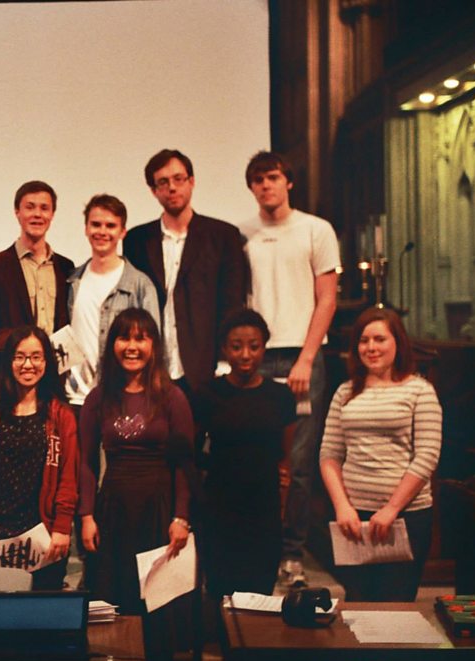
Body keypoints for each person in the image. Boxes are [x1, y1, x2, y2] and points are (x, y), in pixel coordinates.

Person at [239, 151, 339, 585]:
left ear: (289, 181)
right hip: (255, 357)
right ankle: (258, 545)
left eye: (273, 177)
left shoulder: (316, 229)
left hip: (302, 356)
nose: (266, 185)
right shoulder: (242, 234)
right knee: (257, 458)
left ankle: (292, 552)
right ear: (252, 187)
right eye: (258, 179)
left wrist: (306, 359)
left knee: (298, 462)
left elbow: (327, 298)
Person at [77, 307, 194, 661]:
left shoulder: (172, 396)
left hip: (159, 512)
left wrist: (181, 517)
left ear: (153, 345)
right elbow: (86, 462)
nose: (132, 346)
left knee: (157, 604)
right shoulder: (98, 397)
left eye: (141, 338)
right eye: (124, 337)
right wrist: (86, 515)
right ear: (112, 344)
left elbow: (185, 465)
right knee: (115, 599)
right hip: (113, 511)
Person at [320, 307, 441, 606]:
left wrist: (391, 508)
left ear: (398, 342)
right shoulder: (345, 392)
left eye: (379, 339)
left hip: (405, 517)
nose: (371, 347)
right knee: (357, 605)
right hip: (353, 518)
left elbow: (427, 456)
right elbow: (329, 454)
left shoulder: (420, 390)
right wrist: (342, 506)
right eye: (364, 341)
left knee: (394, 606)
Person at [124, 149, 248, 402]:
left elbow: (232, 303)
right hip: (153, 369)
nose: (172, 187)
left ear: (192, 181)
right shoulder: (137, 240)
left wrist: (225, 361)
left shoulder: (223, 236)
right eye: (163, 182)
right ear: (153, 190)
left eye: (178, 179)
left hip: (205, 368)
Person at [193, 309, 295, 599]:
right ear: (225, 350)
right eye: (236, 347)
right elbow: (193, 451)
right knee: (219, 591)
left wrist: (282, 510)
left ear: (264, 348)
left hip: (264, 509)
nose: (245, 355)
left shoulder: (281, 397)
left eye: (254, 346)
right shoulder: (208, 393)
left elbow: (285, 459)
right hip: (219, 508)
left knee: (259, 594)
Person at [0, 326, 78, 591]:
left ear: (46, 362)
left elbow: (68, 478)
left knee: (44, 611)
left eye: (36, 357)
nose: (28, 364)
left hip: (45, 537)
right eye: (20, 357)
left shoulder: (61, 416)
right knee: (3, 613)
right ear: (9, 362)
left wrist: (62, 527)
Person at [65, 194, 160, 408]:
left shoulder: (141, 286)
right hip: (74, 398)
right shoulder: (71, 282)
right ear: (86, 228)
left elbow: (153, 348)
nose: (102, 231)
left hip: (119, 399)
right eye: (96, 224)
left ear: (122, 232)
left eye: (110, 226)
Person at [0, 181, 74, 395]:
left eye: (44, 208)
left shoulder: (65, 267)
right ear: (17, 212)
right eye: (30, 207)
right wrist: (20, 343)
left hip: (52, 383)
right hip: (6, 383)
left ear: (52, 214)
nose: (37, 214)